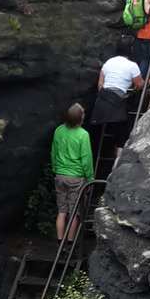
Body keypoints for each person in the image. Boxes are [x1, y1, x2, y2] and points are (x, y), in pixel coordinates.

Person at [91, 36, 150, 166]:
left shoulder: (108, 62)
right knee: (122, 132)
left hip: (101, 102)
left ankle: (97, 162)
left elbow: (100, 86)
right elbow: (140, 86)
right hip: (117, 104)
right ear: (131, 50)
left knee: (99, 134)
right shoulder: (132, 66)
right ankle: (118, 162)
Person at [51, 104, 93, 246]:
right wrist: (90, 178)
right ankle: (69, 243)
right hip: (76, 178)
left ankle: (59, 241)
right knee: (74, 212)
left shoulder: (59, 130)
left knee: (62, 211)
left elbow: (53, 152)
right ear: (80, 117)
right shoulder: (83, 134)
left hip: (60, 175)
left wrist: (56, 169)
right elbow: (86, 159)